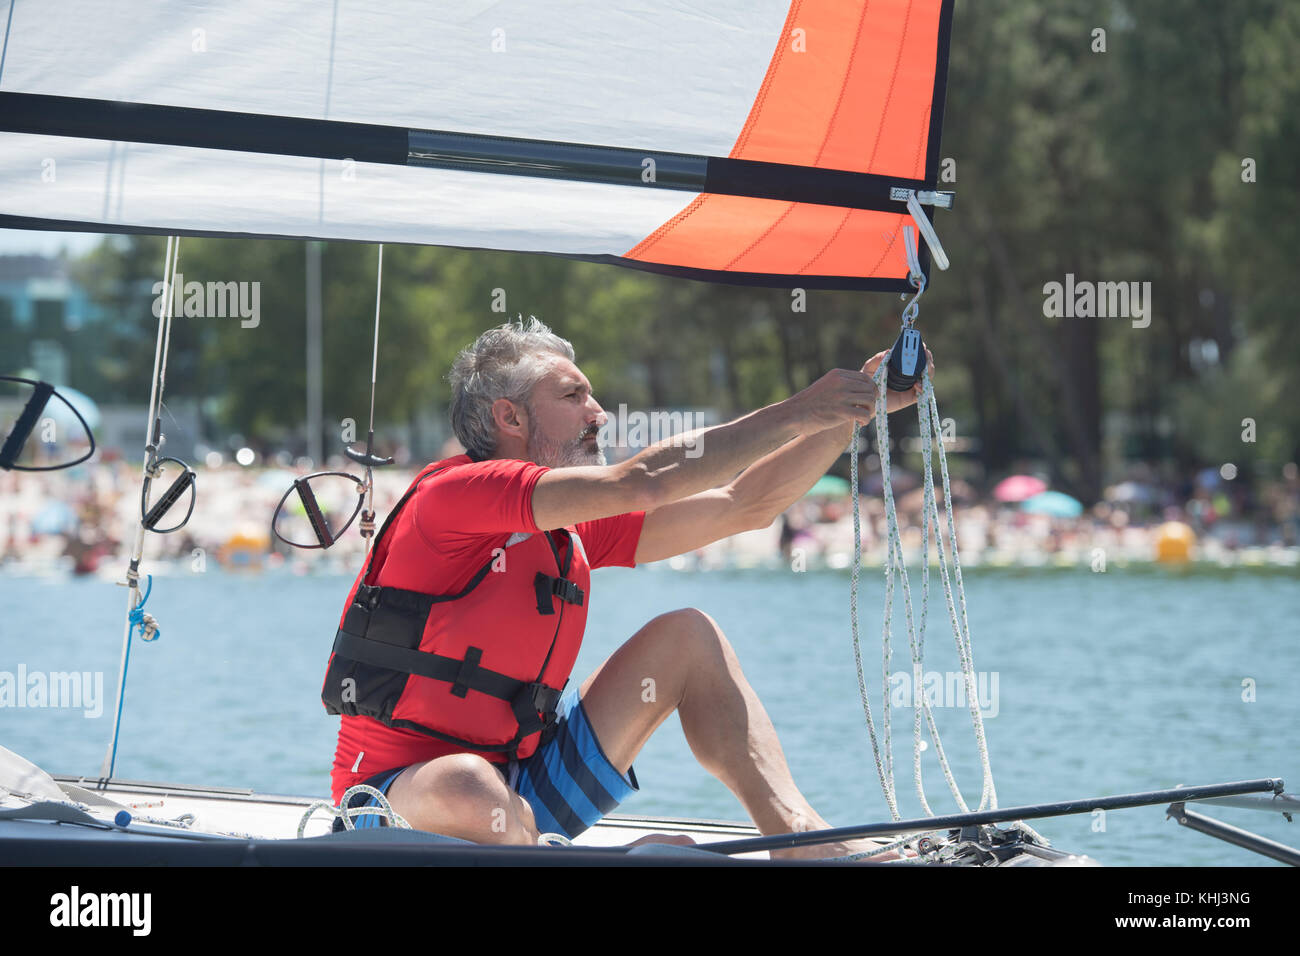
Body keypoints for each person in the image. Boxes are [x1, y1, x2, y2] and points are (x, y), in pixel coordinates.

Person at [325, 316, 932, 859]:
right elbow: (641, 482)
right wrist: (801, 407)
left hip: (524, 793)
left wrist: (853, 410)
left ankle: (799, 839)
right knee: (466, 782)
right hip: (398, 803)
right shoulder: (453, 498)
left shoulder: (573, 521)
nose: (600, 412)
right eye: (573, 396)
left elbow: (747, 503)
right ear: (509, 417)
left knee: (687, 638)